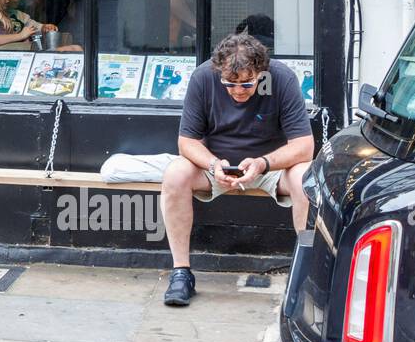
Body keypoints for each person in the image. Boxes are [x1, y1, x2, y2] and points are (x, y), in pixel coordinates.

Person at [102, 32, 314, 306]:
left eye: (247, 84)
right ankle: (181, 273)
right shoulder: (203, 77)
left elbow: (304, 146)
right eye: (230, 83)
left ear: (261, 72)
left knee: (304, 177)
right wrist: (214, 164)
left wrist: (263, 163)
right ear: (219, 72)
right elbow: (186, 142)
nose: (238, 91)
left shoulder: (282, 78)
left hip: (269, 165)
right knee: (176, 174)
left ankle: (306, 276)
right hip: (217, 163)